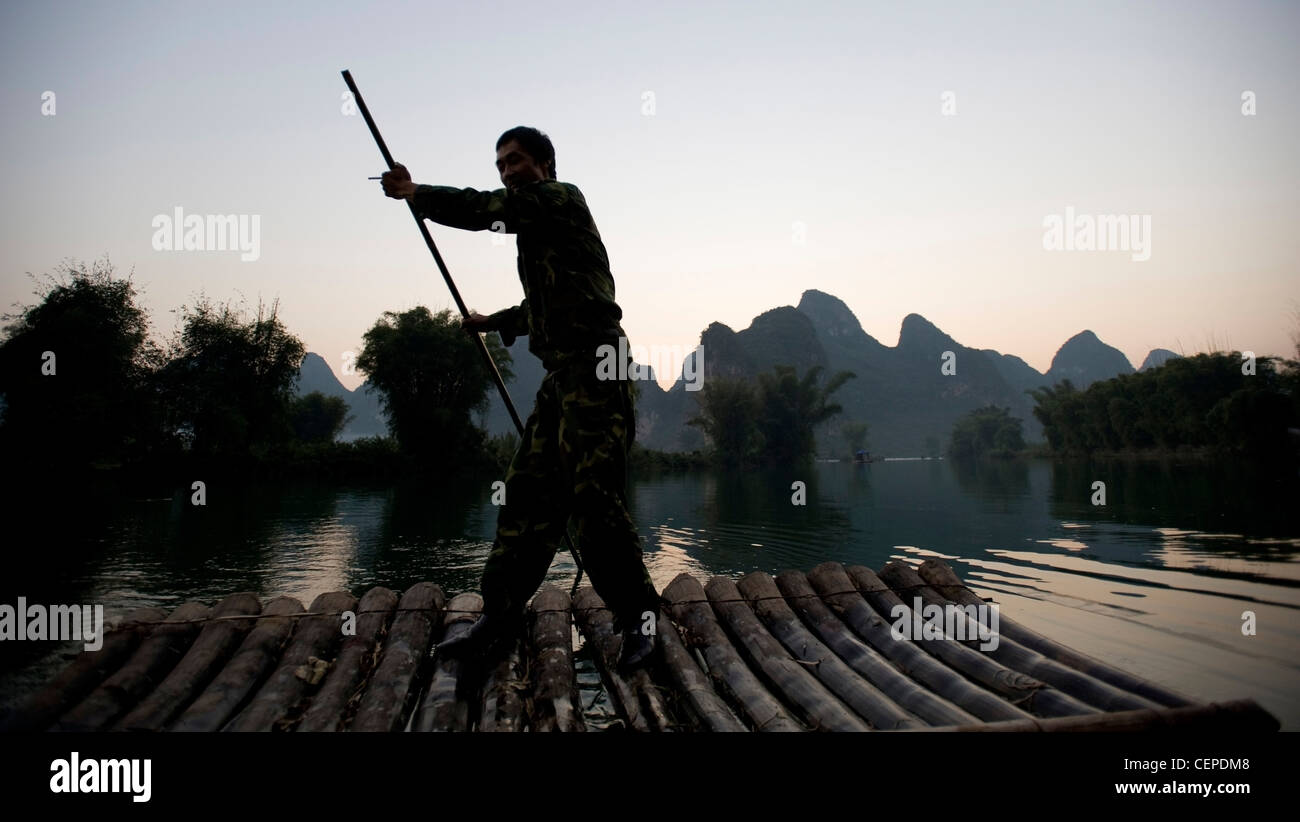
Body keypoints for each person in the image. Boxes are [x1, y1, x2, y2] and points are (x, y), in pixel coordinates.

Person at [380, 126, 660, 670]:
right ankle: (500, 615)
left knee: (594, 501)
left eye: (517, 162)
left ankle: (639, 621)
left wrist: (418, 194)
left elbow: (486, 209)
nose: (508, 172)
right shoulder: (537, 233)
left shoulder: (560, 199)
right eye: (501, 165)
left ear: (546, 165)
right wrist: (492, 322)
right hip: (561, 376)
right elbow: (545, 308)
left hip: (599, 366)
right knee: (525, 493)